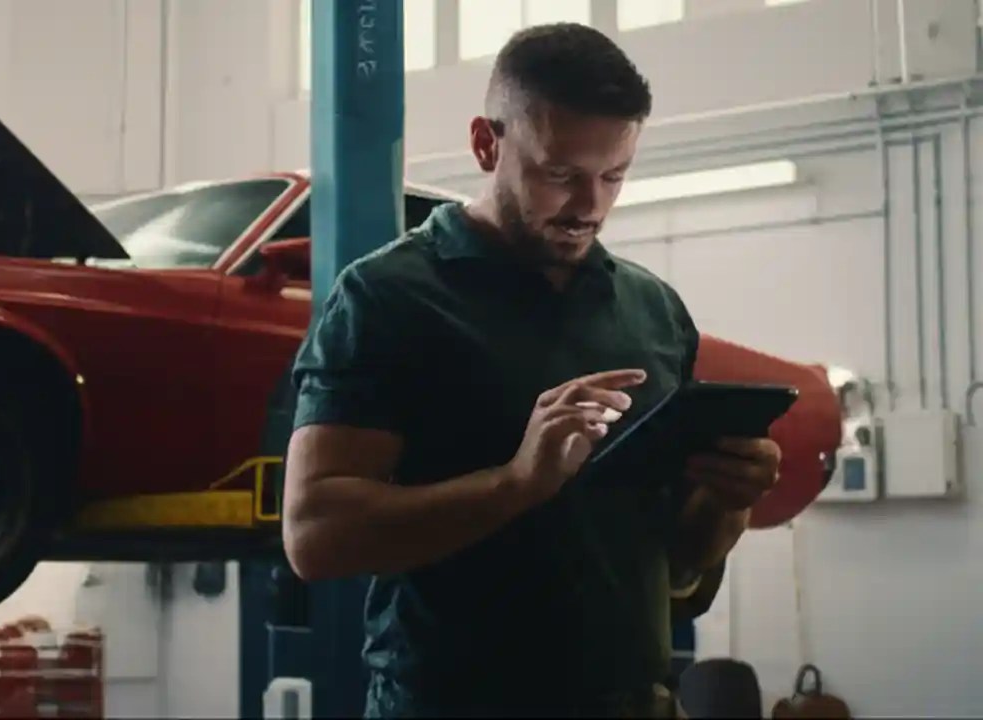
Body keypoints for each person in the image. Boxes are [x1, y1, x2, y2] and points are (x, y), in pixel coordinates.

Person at [280, 22, 782, 719]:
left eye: (613, 177)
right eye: (560, 175)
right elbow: (314, 535)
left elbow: (674, 560)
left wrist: (729, 499)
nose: (590, 206)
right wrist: (515, 483)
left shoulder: (651, 312)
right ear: (488, 143)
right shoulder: (391, 297)